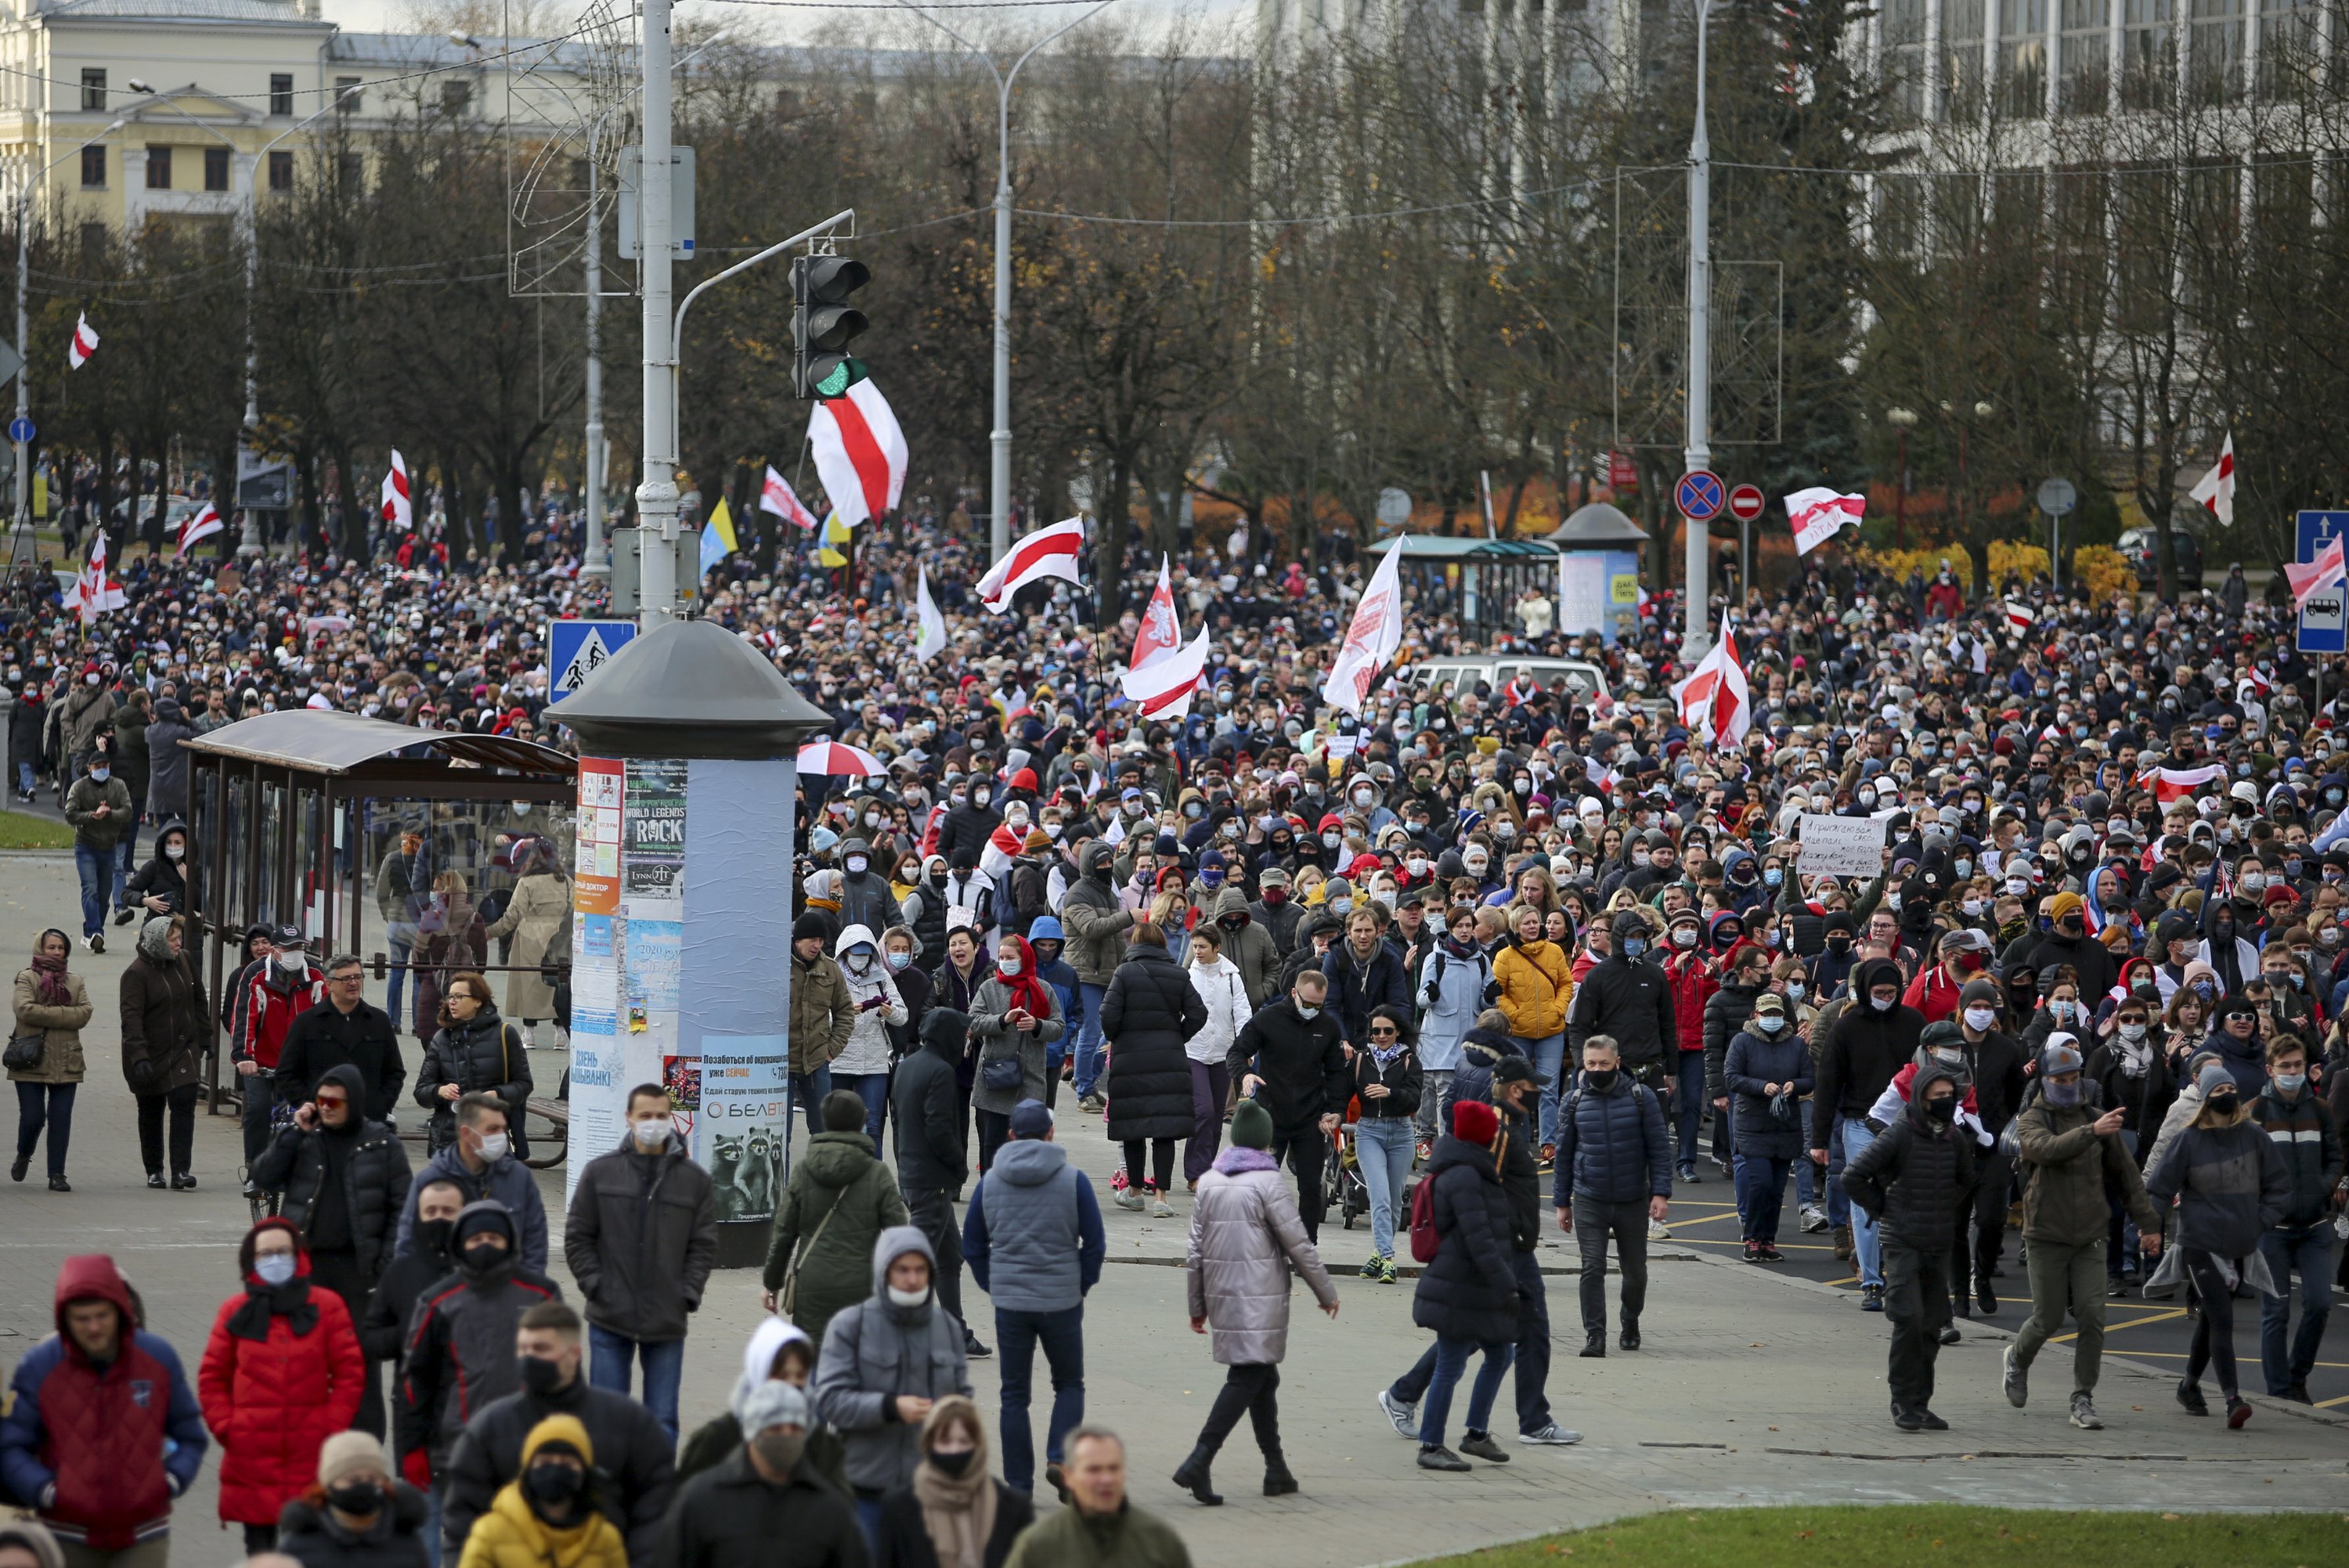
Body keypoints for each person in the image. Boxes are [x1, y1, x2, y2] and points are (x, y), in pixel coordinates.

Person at [1170, 1098, 1338, 1505]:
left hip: (1222, 1294)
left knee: (1264, 1378)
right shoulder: (1268, 1182)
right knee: (1248, 1377)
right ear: (1265, 1142)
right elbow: (1297, 1241)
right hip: (1261, 1295)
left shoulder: (1209, 1181)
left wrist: (1196, 1305)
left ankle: (1276, 1469)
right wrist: (1325, 1291)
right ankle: (1199, 1459)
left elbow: (1195, 1251)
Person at [0, 1255, 208, 1568]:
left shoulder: (158, 1359)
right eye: (82, 1318)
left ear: (120, 1311)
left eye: (102, 1315)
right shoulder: (39, 1367)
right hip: (66, 1535)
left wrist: (170, 1480)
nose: (94, 1327)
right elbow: (13, 1446)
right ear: (64, 1318)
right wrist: (45, 1490)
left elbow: (189, 1434)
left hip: (143, 1534)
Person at [438, 1303, 675, 1566]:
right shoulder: (491, 1427)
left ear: (574, 1354)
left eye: (541, 1349)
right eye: (522, 1349)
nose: (528, 1358)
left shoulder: (630, 1424)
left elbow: (654, 1513)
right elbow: (462, 1520)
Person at [2002, 1040, 2162, 1430]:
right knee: (2048, 1317)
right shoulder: (2032, 1120)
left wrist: (2149, 1225)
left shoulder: (2096, 1118)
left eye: (2074, 1077)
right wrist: (2092, 1131)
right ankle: (2016, 1361)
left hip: (2090, 1233)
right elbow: (2047, 1150)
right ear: (2045, 1080)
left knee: (2093, 1316)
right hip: (2045, 1234)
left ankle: (2082, 1397)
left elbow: (2127, 1178)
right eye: (2060, 1078)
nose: (2068, 1084)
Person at [251, 1062, 413, 1436]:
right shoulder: (306, 1137)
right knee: (303, 1359)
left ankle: (363, 1446)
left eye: (335, 1102)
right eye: (322, 1100)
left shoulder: (382, 1143)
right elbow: (263, 1176)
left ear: (353, 1103)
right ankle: (308, 1440)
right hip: (308, 1270)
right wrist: (293, 1132)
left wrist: (384, 1267)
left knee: (358, 1362)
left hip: (359, 1274)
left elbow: (402, 1211)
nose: (326, 1107)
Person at [961, 1100, 1104, 1500]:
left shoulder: (990, 1183)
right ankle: (1059, 1457)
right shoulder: (1073, 1180)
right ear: (1051, 1134)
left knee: (1014, 1395)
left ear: (1010, 1136)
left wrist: (994, 1283)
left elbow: (971, 1244)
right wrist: (1081, 1285)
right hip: (1062, 1301)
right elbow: (1094, 1243)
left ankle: (1019, 1487)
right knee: (1069, 1384)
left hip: (1011, 1305)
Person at [200, 1219, 368, 1552]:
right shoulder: (235, 1311)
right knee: (261, 1555)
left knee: (312, 1554)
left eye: (283, 1252)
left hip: (312, 1456)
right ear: (252, 1261)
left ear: (299, 1256)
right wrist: (227, 1427)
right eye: (266, 1254)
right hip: (251, 1459)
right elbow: (211, 1378)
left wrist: (331, 1426)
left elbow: (350, 1372)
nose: (275, 1259)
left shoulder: (327, 1306)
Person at [561, 1083, 717, 1441]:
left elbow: (703, 1243)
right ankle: (609, 1493)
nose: (654, 1123)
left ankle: (656, 1493)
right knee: (606, 1419)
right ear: (628, 1118)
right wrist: (595, 1284)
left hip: (666, 1315)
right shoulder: (601, 1172)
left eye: (661, 1116)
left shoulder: (694, 1180)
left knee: (662, 1421)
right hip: (609, 1314)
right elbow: (578, 1237)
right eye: (645, 1115)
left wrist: (687, 1292)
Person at [2144, 1060, 2293, 1426]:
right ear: (2206, 1100)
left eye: (2230, 1090)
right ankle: (2232, 1399)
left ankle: (2189, 1385)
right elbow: (2159, 1189)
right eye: (2218, 1092)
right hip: (2199, 1242)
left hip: (2240, 1244)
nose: (2227, 1096)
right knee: (2222, 1317)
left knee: (2212, 1322)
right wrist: (2150, 1229)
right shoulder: (2188, 1141)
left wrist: (2260, 1221)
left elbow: (2280, 1187)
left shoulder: (2254, 1137)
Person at [812, 1228, 975, 1549]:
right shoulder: (849, 1326)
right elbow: (829, 1399)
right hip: (864, 1490)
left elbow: (962, 1398)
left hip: (929, 1490)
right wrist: (889, 1407)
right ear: (883, 1272)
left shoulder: (947, 1327)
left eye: (920, 1270)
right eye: (903, 1270)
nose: (913, 1279)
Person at [1842, 1059, 1977, 1431]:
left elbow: (1967, 1179)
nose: (1946, 1102)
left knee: (1931, 1326)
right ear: (1921, 1098)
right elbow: (1852, 1176)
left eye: (1951, 1096)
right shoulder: (1899, 1134)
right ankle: (1902, 1401)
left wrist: (1944, 1206)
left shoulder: (1953, 1137)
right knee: (1909, 1319)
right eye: (1938, 1097)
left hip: (1938, 1242)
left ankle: (1921, 1403)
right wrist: (1884, 1206)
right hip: (1901, 1241)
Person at [397, 1202, 561, 1498]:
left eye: (494, 1239)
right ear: (462, 1244)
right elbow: (417, 1378)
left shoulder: (542, 1296)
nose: (485, 1245)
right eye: (476, 1239)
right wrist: (414, 1447)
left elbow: (564, 1371)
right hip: (459, 1449)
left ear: (509, 1242)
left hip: (529, 1447)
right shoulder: (438, 1301)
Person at [1406, 1098, 1519, 1472]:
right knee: (1451, 1365)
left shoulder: (1462, 1169)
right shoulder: (1467, 1175)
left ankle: (1476, 1434)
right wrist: (1508, 1285)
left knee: (1501, 1353)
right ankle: (1431, 1444)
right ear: (1482, 1135)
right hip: (1460, 1288)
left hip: (1467, 1287)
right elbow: (1480, 1238)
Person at [1811, 956, 1925, 1311]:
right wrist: (1818, 1140)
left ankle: (1902, 1274)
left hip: (1906, 1126)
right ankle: (1872, 1280)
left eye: (1892, 992)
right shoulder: (1846, 1028)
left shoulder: (1913, 1023)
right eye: (1878, 992)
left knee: (1909, 1200)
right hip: (1860, 1124)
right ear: (1864, 990)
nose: (1885, 998)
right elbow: (1828, 1083)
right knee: (1864, 1204)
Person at [659, 1379, 868, 1568]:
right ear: (752, 1431)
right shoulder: (701, 1500)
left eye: (795, 1428)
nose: (786, 1435)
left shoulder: (830, 1509)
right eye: (776, 1427)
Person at [1551, 1034, 1671, 1356]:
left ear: (1617, 1063)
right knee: (1592, 1267)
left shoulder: (1641, 1097)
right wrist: (1562, 1202)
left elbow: (1659, 1149)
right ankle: (1595, 1335)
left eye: (1604, 1063)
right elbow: (1563, 1154)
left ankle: (1630, 1320)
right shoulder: (1573, 1100)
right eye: (1591, 1064)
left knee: (1635, 1273)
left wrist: (1660, 1193)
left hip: (1632, 1198)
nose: (1597, 1069)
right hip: (1590, 1197)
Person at [765, 1090, 912, 1347]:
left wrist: (772, 1282)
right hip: (862, 1284)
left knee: (813, 1365)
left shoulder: (803, 1170)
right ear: (861, 1123)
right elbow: (898, 1236)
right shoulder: (878, 1172)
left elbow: (784, 1233)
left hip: (812, 1283)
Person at [2247, 1036, 2342, 1401]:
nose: (2292, 1073)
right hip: (2273, 1230)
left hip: (2315, 1226)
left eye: (2298, 1066)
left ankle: (2297, 1375)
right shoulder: (2254, 1112)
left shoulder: (2318, 1109)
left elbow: (2335, 1155)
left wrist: (2324, 1185)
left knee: (2319, 1303)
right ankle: (2279, 1391)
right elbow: (2243, 1168)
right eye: (2285, 1067)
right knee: (2276, 1311)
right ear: (2270, 1070)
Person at [1224, 968, 1349, 1242]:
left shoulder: (1327, 1026)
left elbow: (1338, 1073)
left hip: (1310, 1117)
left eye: (1319, 1005)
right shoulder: (1268, 1019)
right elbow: (1236, 1052)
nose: (1313, 1010)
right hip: (1270, 1115)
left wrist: (1336, 1111)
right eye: (1308, 1004)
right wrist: (1245, 1074)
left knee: (1310, 1187)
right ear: (1294, 993)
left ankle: (1306, 1246)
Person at [1102, 923, 1208, 1218]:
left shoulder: (1124, 973)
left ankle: (1135, 1192)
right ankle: (1162, 1197)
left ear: (1135, 943)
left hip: (1130, 1059)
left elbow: (1108, 1013)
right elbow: (1199, 1013)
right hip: (1169, 1059)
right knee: (1166, 1129)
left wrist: (1117, 1036)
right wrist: (1178, 1035)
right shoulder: (1178, 973)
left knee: (1134, 1127)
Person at [677, 1318, 846, 1492]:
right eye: (781, 1376)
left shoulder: (822, 1445)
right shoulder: (717, 1440)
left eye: (800, 1376)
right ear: (759, 1373)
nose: (792, 1385)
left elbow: (840, 1506)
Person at [394, 1094, 550, 1274]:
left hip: (508, 1290)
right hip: (447, 1293)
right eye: (492, 1129)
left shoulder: (520, 1177)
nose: (501, 1137)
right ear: (466, 1133)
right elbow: (408, 1244)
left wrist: (527, 1291)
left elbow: (535, 1243)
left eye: (502, 1129)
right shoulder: (430, 1180)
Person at [1000, 1426, 1190, 1568]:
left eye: (1113, 1468)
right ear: (1069, 1477)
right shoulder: (1038, 1544)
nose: (1106, 1479)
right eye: (1094, 1470)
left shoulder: (1159, 1538)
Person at [450, 1415, 626, 1568]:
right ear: (528, 1469)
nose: (556, 1467)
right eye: (545, 1461)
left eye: (567, 1462)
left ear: (585, 1472)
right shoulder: (490, 1533)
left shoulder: (606, 1539)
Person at [1721, 991, 1812, 1262]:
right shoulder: (1742, 1041)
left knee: (1777, 1188)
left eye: (1777, 1014)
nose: (1772, 1018)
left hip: (1785, 1124)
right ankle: (1751, 1237)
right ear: (1756, 1015)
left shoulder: (1796, 1045)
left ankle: (1768, 1240)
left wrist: (1795, 1085)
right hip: (1753, 1123)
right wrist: (1761, 1086)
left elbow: (1810, 1078)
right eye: (1767, 1014)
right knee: (1760, 1182)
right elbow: (1732, 1077)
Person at [119, 914, 205, 1191]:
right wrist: (139, 1056)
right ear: (157, 942)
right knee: (151, 1110)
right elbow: (131, 1019)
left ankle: (181, 1171)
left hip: (183, 1048)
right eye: (173, 940)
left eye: (179, 938)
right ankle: (154, 1170)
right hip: (150, 1052)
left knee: (184, 1101)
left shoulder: (185, 961)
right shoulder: (136, 974)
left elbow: (199, 998)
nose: (179, 944)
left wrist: (207, 1038)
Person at [969, 932, 1064, 1174]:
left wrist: (1037, 1025)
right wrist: (1002, 1020)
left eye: (1010, 957)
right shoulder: (989, 987)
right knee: (992, 1144)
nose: (1005, 962)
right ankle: (991, 1191)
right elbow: (973, 1022)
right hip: (995, 1076)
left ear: (1024, 959)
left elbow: (1059, 1028)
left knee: (1028, 1143)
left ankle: (1026, 1189)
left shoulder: (1043, 989)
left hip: (1030, 1077)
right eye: (1001, 957)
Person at [239, 929, 329, 1184]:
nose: (296, 954)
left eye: (300, 947)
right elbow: (245, 1018)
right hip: (262, 1062)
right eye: (290, 949)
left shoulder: (314, 975)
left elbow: (324, 1020)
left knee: (311, 1111)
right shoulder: (256, 975)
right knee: (258, 1109)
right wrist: (245, 1055)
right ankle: (255, 1169)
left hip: (299, 1065)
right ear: (276, 952)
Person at [276, 953, 407, 1124]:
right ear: (329, 984)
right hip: (322, 1121)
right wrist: (309, 1104)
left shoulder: (378, 1021)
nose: (353, 983)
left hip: (368, 1120)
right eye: (345, 978)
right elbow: (286, 1073)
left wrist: (381, 1105)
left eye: (358, 977)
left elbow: (395, 1071)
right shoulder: (307, 1022)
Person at [414, 973, 533, 1158]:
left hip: (492, 1137)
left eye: (459, 997)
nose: (452, 1002)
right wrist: (439, 1091)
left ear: (478, 1001)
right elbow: (421, 1091)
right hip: (449, 1141)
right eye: (450, 996)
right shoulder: (441, 1038)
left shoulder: (505, 1034)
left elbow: (524, 1084)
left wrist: (497, 1094)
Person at [276, 1431, 433, 1568]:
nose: (363, 1486)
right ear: (328, 1484)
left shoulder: (404, 1538)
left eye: (372, 1479)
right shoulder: (302, 1542)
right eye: (353, 1480)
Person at [1058, 842, 1135, 1114]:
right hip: (1087, 973)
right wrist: (1128, 917)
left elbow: (1114, 938)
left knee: (1108, 1032)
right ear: (1090, 864)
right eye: (1101, 863)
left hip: (1109, 972)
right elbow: (1091, 928)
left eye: (1109, 862)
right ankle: (1084, 1091)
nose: (1107, 867)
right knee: (1090, 1032)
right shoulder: (1077, 894)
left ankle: (1085, 1080)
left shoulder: (1108, 893)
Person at [1347, 1004, 1423, 1281]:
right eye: (1376, 1031)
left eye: (1387, 1031)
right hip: (1369, 1132)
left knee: (1392, 1200)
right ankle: (1389, 1259)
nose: (1381, 1035)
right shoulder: (1359, 1060)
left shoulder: (1408, 1060)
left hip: (1402, 1133)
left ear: (1397, 1032)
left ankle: (1378, 1254)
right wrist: (1330, 1114)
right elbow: (1340, 1091)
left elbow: (1415, 1099)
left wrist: (1390, 1092)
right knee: (1378, 1196)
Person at [12, 928, 91, 1191]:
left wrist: (47, 1012)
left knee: (61, 1118)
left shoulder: (76, 981)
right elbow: (25, 1010)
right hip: (30, 1058)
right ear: (40, 949)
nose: (57, 952)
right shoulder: (26, 978)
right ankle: (24, 1154)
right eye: (51, 947)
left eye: (61, 947)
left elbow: (85, 1013)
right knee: (33, 1118)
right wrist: (64, 1014)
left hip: (67, 1060)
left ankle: (57, 1174)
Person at [1492, 903, 1572, 1148]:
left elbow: (1565, 984)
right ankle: (1522, 1141)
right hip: (1519, 1032)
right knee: (1521, 1089)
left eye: (1535, 922)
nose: (1532, 926)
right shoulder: (1504, 956)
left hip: (1551, 1031)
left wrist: (1558, 1009)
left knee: (1548, 1088)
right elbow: (1498, 992)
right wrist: (1514, 1014)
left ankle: (1549, 1142)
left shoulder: (1555, 952)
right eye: (1526, 923)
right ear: (1516, 927)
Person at [1179, 925, 1250, 1185]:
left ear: (1216, 948)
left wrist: (1245, 1049)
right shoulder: (1187, 976)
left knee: (1218, 1116)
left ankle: (1207, 1169)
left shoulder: (1232, 977)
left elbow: (1242, 1013)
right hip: (1193, 1052)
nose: (1197, 952)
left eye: (1203, 947)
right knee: (1204, 1111)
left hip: (1224, 1054)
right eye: (1194, 946)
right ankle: (1196, 1172)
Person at [481, 842, 568, 1043]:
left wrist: (490, 932)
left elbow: (512, 916)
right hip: (560, 938)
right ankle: (560, 1033)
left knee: (530, 984)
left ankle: (529, 1033)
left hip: (530, 938)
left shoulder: (526, 883)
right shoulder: (566, 881)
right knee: (558, 983)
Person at [830, 925, 908, 1144]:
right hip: (838, 1061)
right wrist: (842, 1012)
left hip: (874, 1064)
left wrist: (890, 1013)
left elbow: (903, 1016)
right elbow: (818, 1016)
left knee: (872, 1127)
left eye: (866, 954)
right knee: (836, 1128)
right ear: (845, 952)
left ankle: (873, 1176)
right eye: (857, 954)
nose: (861, 959)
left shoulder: (881, 976)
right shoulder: (832, 975)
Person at [789, 914, 857, 1143]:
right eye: (812, 939)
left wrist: (831, 1051)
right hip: (783, 1065)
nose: (817, 945)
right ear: (797, 940)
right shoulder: (779, 965)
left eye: (821, 940)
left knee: (824, 1134)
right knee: (780, 1134)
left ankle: (821, 1178)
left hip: (817, 1063)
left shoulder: (831, 970)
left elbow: (845, 1013)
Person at [63, 747, 132, 952]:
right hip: (86, 846)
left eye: (105, 766)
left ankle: (92, 932)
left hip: (109, 846)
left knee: (104, 895)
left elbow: (127, 811)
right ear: (90, 768)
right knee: (90, 888)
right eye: (98, 766)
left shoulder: (118, 786)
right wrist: (92, 815)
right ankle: (95, 932)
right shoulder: (79, 787)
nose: (102, 769)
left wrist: (109, 813)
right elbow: (70, 813)